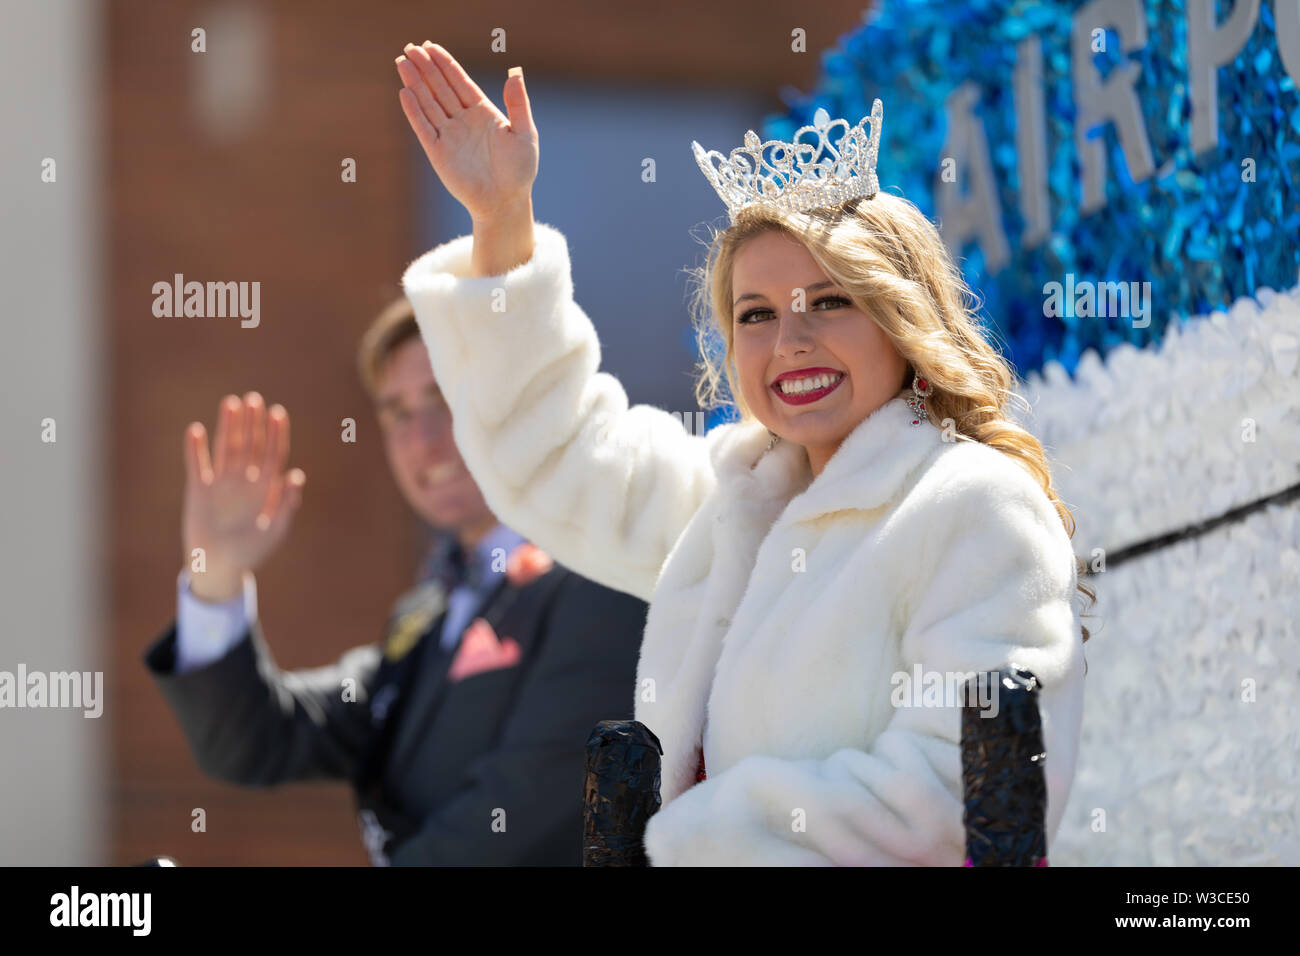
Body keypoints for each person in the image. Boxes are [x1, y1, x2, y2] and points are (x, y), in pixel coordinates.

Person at [392, 41, 1095, 866]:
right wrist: (501, 220)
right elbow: (559, 457)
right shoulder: (732, 497)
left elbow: (957, 797)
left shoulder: (975, 506)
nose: (789, 343)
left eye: (828, 303)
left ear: (902, 323)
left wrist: (693, 839)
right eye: (755, 315)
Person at [142, 297, 648, 866]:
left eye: (446, 400)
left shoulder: (606, 577)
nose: (421, 439)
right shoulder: (425, 614)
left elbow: (518, 819)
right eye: (396, 413)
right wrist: (218, 571)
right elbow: (254, 743)